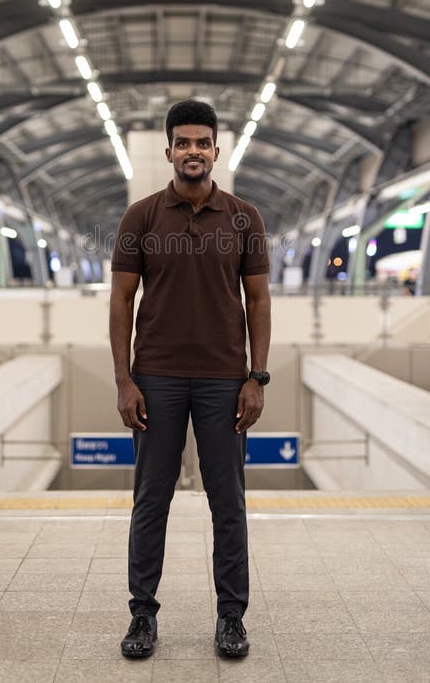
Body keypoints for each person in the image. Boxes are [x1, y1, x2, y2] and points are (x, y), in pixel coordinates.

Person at [109, 99, 271, 660]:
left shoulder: (246, 218)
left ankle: (231, 619)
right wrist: (125, 381)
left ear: (217, 150)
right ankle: (142, 617)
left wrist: (257, 377)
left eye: (203, 142)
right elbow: (122, 301)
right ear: (169, 150)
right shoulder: (142, 217)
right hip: (156, 379)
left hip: (226, 381)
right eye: (184, 142)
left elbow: (258, 302)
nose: (193, 151)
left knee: (228, 503)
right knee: (151, 501)